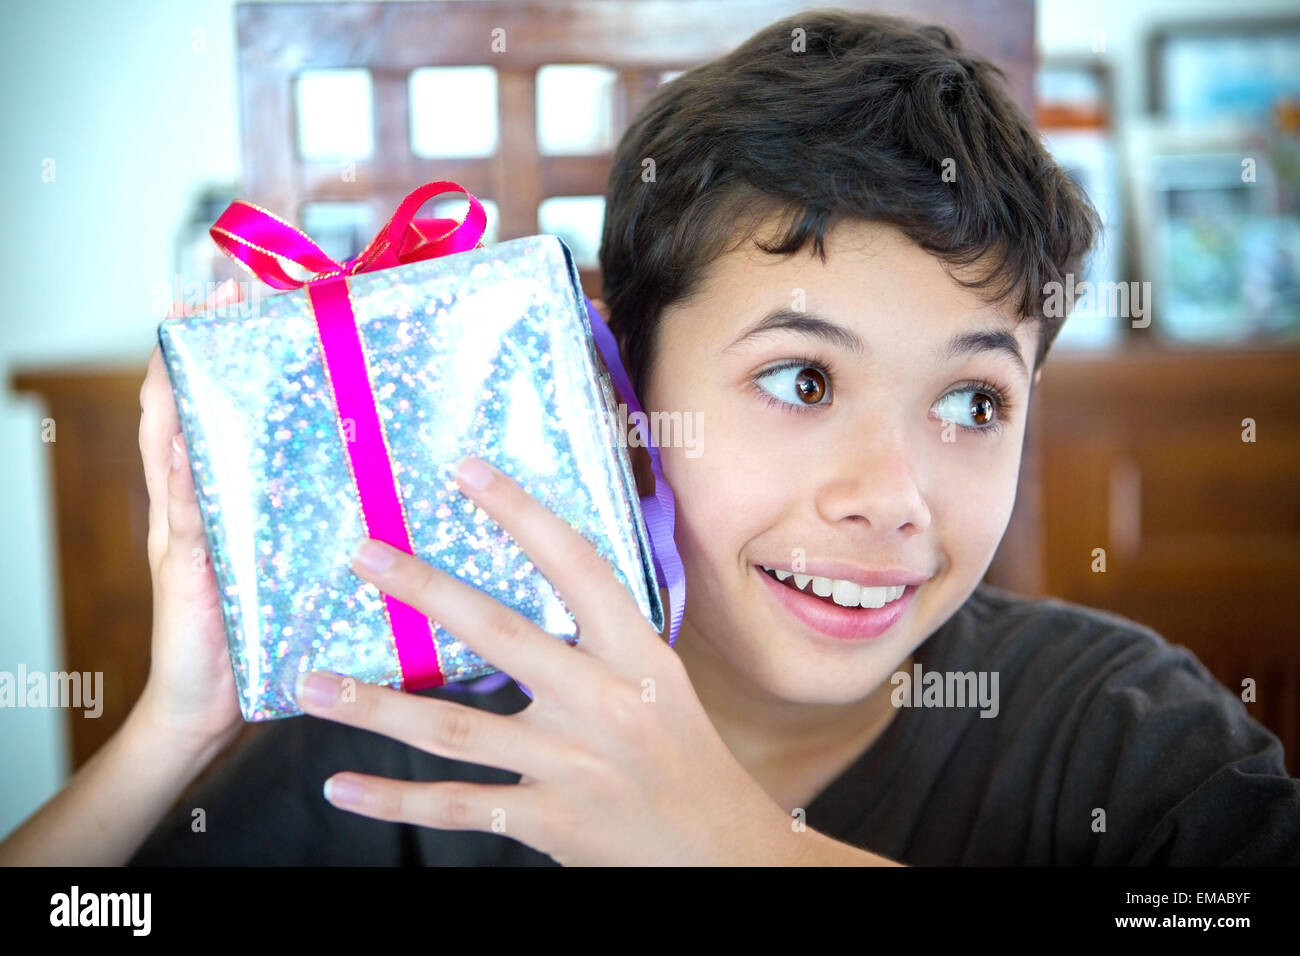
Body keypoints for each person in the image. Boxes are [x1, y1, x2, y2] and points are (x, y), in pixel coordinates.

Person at [3, 10, 1297, 867]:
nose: (893, 497)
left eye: (972, 404)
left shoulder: (1129, 743)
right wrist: (174, 729)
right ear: (615, 384)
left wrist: (741, 850)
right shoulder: (418, 743)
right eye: (799, 378)